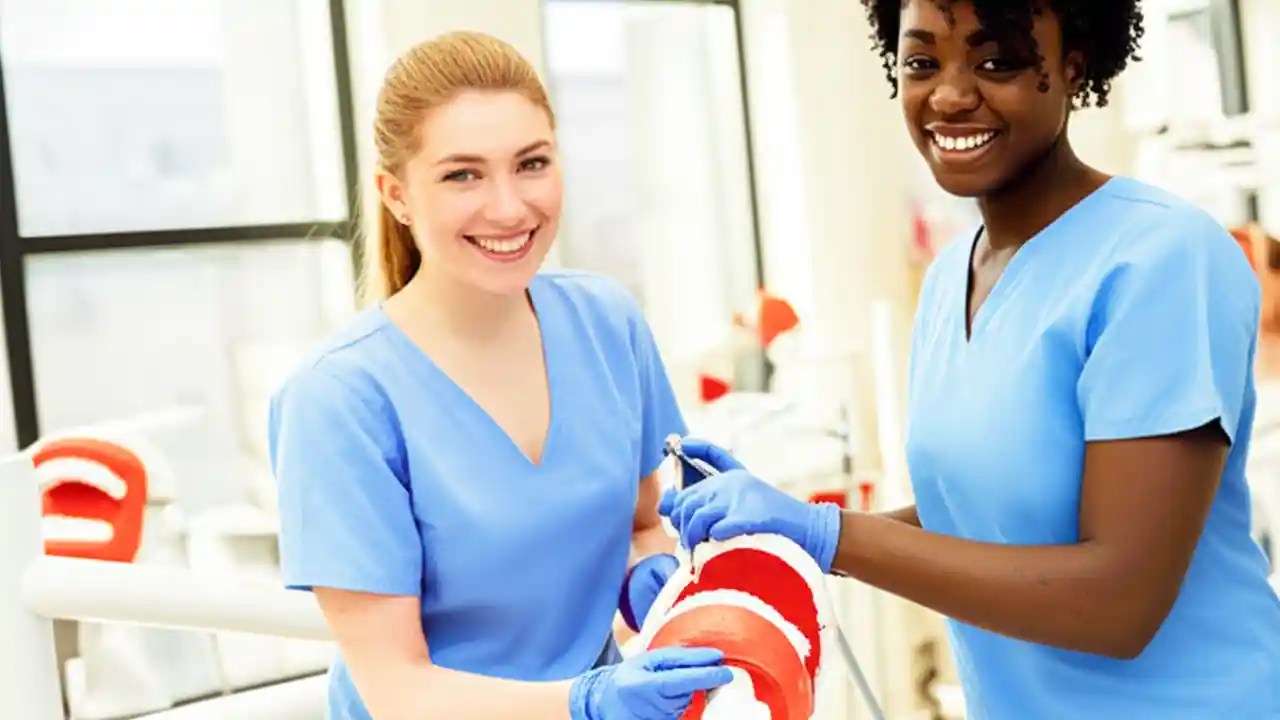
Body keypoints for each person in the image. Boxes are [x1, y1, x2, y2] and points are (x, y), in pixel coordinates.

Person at [659, 1, 1280, 718]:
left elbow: (1119, 604)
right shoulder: (955, 274)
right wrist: (786, 528)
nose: (950, 94)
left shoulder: (1161, 262)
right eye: (922, 62)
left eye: (997, 62)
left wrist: (835, 536)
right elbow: (987, 510)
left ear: (1074, 64)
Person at [266, 31, 730, 720]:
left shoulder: (608, 326)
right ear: (395, 195)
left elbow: (642, 525)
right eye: (463, 174)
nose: (510, 207)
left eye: (532, 164)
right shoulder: (340, 400)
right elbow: (397, 688)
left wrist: (652, 577)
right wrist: (586, 701)